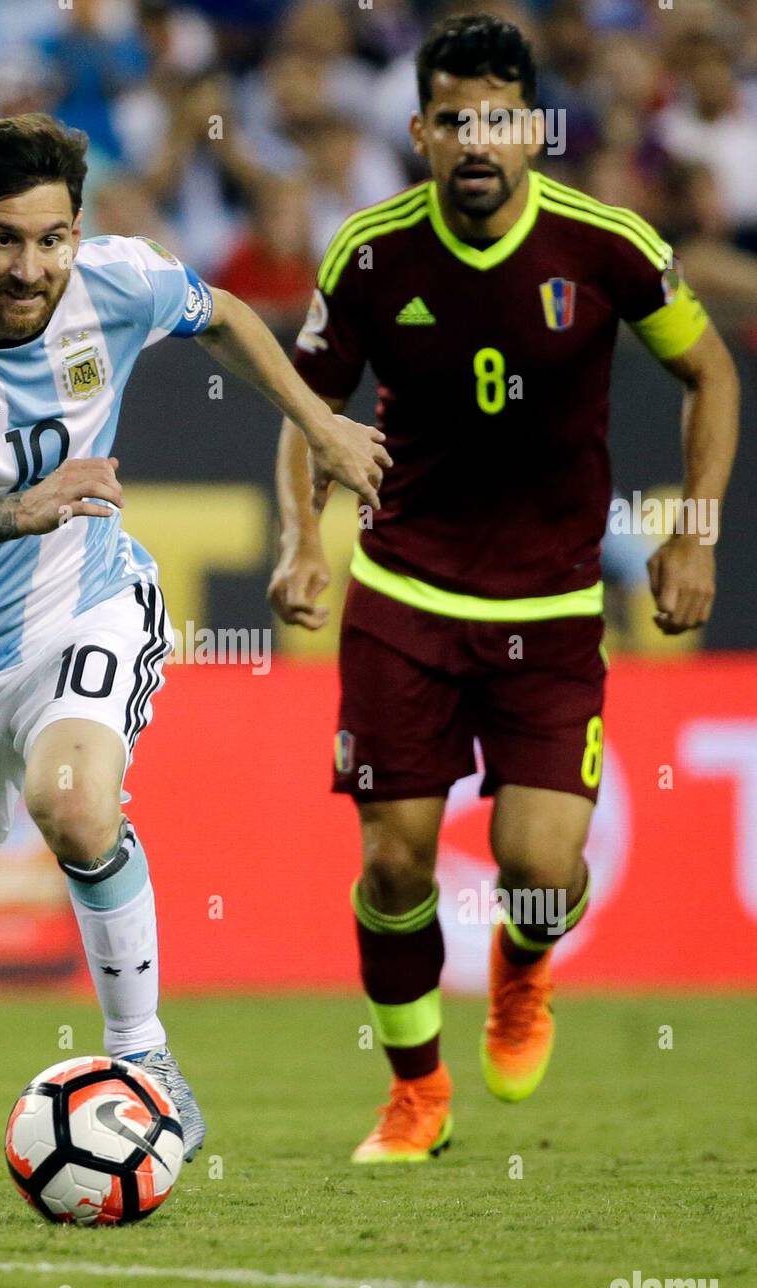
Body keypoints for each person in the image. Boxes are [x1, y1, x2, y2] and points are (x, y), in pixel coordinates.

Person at [0, 111, 388, 1195]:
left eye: (52, 239)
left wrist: (322, 425)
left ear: (78, 231)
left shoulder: (118, 280)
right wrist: (22, 505)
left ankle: (143, 1052)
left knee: (77, 804)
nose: (31, 266)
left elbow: (224, 310)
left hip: (82, 602)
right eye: (4, 239)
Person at [268, 14, 738, 1163]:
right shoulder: (372, 256)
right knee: (392, 860)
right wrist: (303, 538)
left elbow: (709, 368)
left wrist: (697, 530)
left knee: (537, 873)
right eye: (451, 119)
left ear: (532, 130)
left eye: (497, 118)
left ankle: (523, 979)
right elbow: (305, 407)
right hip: (406, 598)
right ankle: (416, 1095)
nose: (474, 139)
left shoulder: (605, 243)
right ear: (421, 131)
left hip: (551, 610)